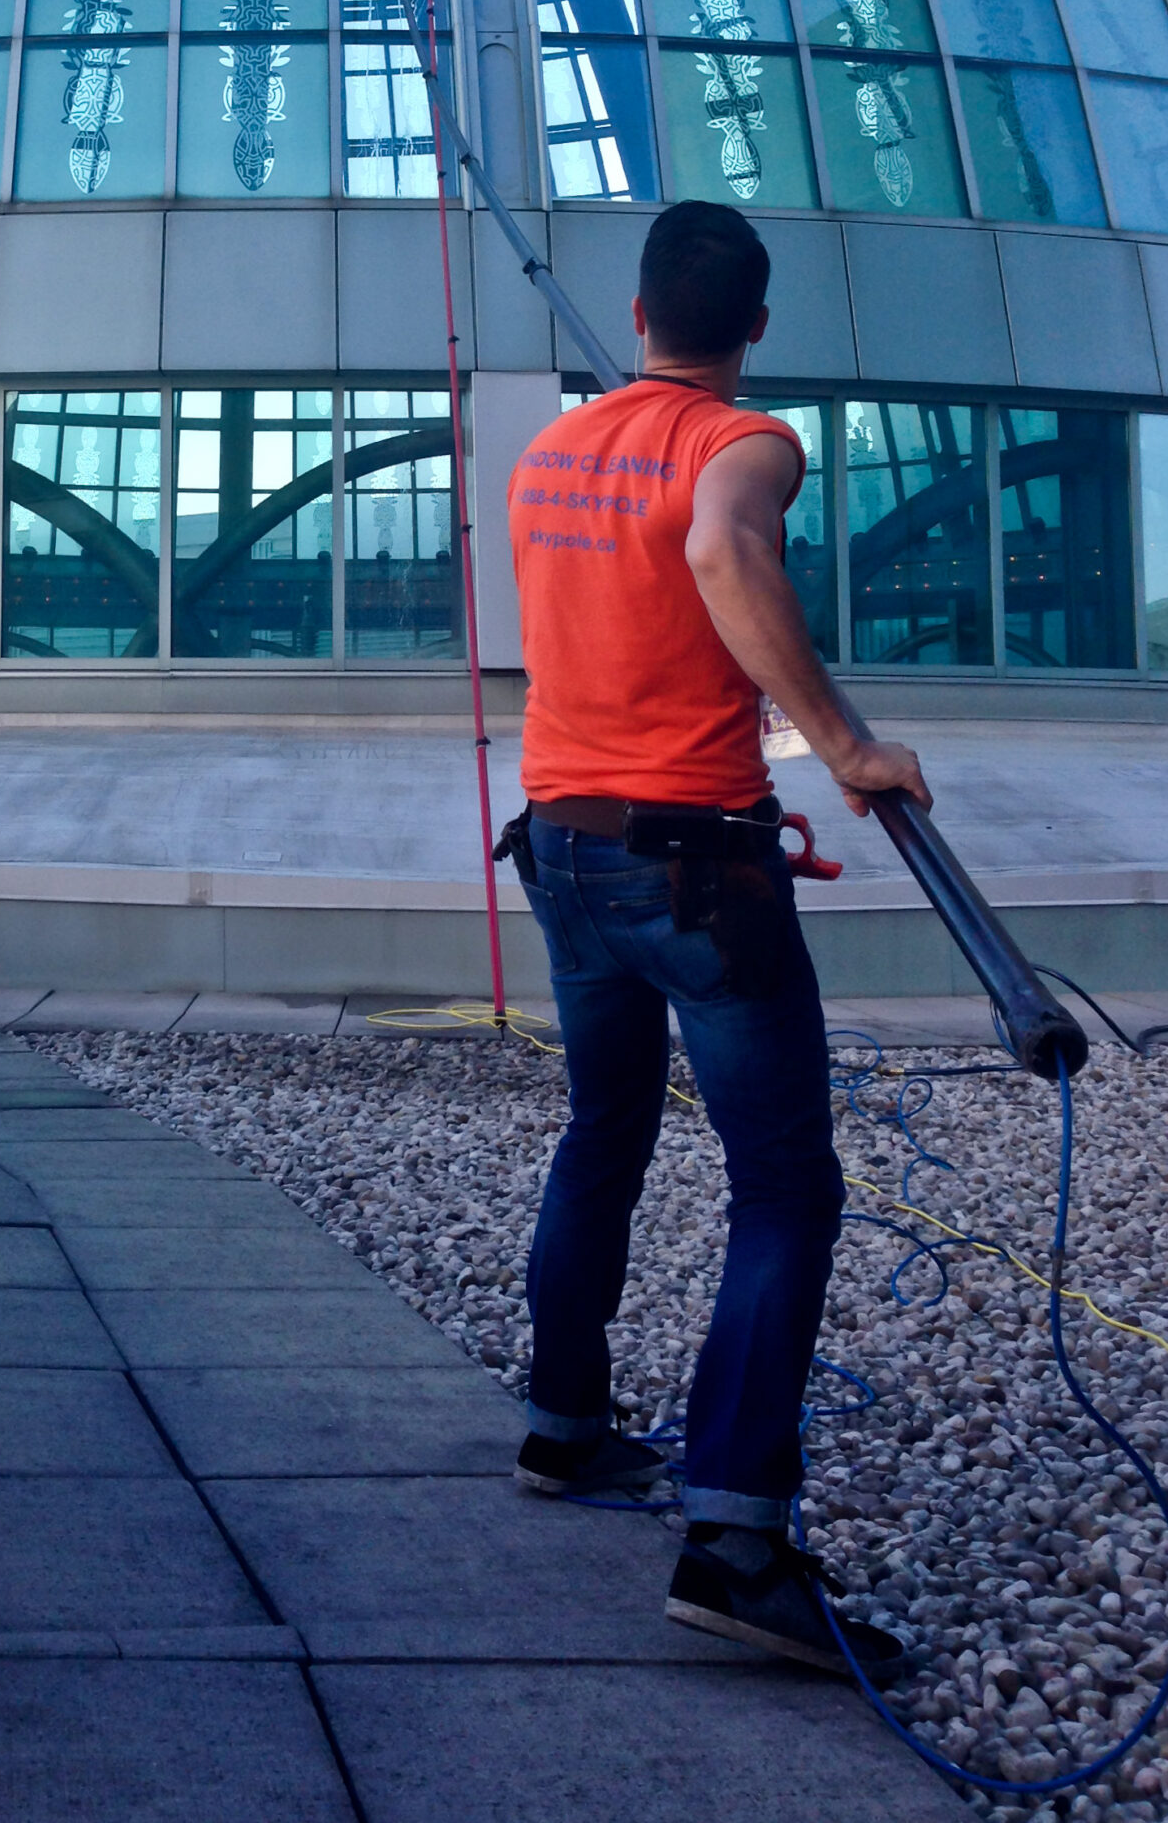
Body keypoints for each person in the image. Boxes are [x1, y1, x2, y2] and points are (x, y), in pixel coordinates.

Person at [502, 199, 929, 1682]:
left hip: (563, 847)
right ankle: (737, 1544)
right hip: (694, 869)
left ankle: (563, 1426)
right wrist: (849, 748)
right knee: (787, 1190)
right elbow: (729, 553)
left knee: (603, 1130)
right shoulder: (743, 443)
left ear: (638, 316)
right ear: (754, 326)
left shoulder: (549, 451)